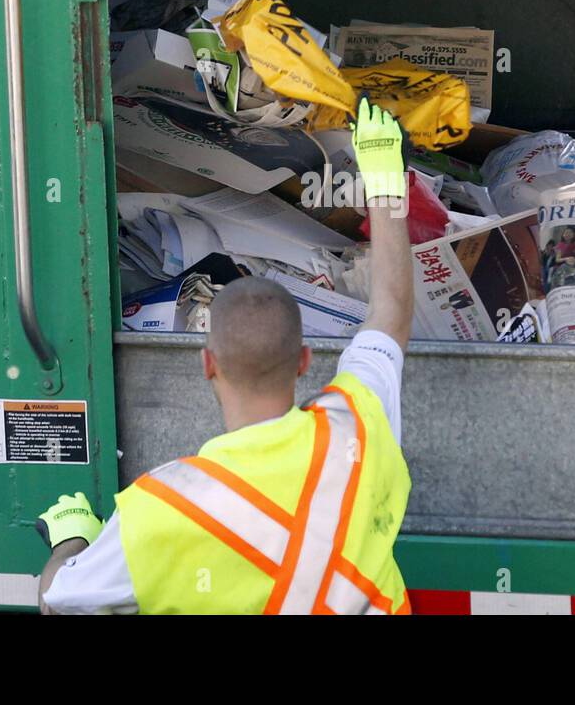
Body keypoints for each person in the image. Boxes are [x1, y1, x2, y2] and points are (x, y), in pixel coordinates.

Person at [35, 96, 415, 615]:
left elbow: (58, 600)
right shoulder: (356, 429)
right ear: (304, 360)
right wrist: (388, 185)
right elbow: (391, 312)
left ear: (207, 364)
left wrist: (71, 538)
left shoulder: (160, 508)